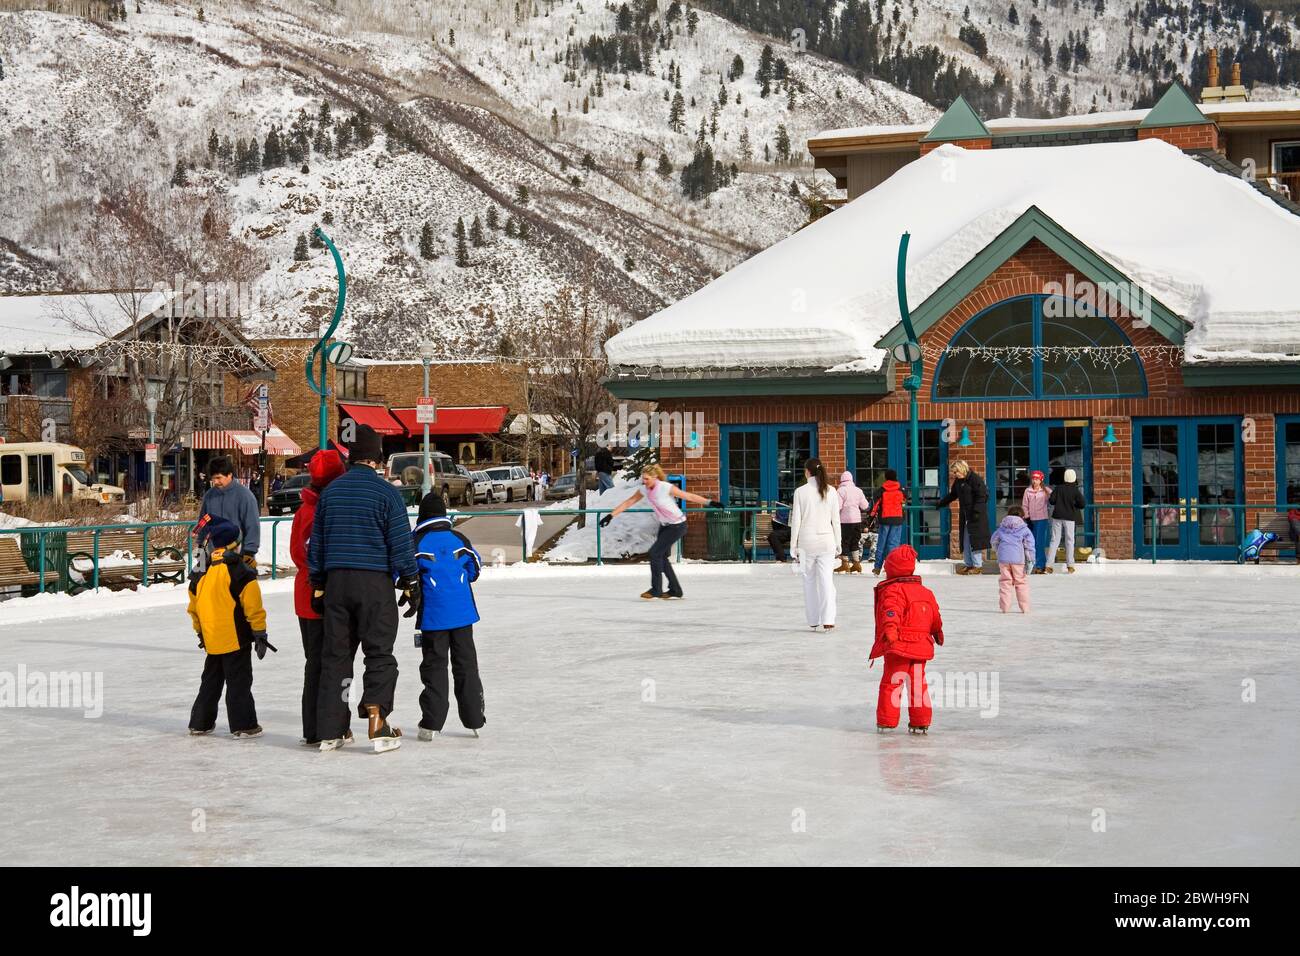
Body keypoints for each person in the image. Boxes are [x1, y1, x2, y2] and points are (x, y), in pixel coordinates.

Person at [309, 424, 420, 754]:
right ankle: (377, 719)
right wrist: (411, 582)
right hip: (374, 585)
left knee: (336, 658)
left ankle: (331, 728)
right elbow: (400, 543)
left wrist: (318, 586)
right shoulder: (387, 494)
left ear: (351, 459)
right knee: (379, 653)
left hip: (337, 583)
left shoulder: (330, 493)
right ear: (377, 459)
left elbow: (317, 546)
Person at [186, 519, 275, 738]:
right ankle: (244, 725)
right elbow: (253, 606)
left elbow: (193, 608)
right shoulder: (240, 571)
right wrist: (260, 632)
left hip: (212, 638)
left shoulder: (200, 571)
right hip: (235, 638)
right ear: (234, 544)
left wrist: (201, 632)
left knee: (210, 682)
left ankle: (200, 723)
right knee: (239, 682)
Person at [412, 493, 486, 740]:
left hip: (433, 617)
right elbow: (475, 567)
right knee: (466, 665)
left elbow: (404, 574)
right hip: (463, 614)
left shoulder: (417, 542)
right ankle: (474, 718)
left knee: (434, 666)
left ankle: (432, 723)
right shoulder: (459, 538)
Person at [289, 449, 350, 747]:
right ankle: (327, 724)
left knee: (314, 663)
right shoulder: (320, 513)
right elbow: (316, 556)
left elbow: (296, 553)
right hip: (321, 595)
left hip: (304, 596)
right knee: (329, 663)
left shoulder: (304, 510)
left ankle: (312, 726)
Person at [600, 463, 720, 599]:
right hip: (665, 525)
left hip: (677, 525)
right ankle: (675, 589)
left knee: (654, 553)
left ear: (655, 477)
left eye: (647, 479)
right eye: (643, 479)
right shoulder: (644, 490)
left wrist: (710, 503)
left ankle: (656, 589)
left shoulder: (665, 487)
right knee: (661, 556)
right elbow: (629, 502)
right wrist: (610, 516)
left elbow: (688, 496)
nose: (644, 482)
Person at [869, 544, 944, 734]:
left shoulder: (893, 590)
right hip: (921, 646)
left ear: (893, 569)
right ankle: (921, 721)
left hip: (899, 645)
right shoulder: (925, 591)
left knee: (892, 682)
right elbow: (934, 614)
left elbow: (891, 612)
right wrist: (937, 631)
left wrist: (890, 629)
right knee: (918, 684)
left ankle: (887, 721)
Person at [790, 457, 841, 632]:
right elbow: (836, 520)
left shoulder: (800, 492)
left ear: (807, 472)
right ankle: (828, 619)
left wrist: (792, 545)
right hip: (827, 541)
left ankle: (813, 620)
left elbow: (796, 520)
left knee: (808, 582)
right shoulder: (832, 491)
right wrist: (838, 543)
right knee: (827, 580)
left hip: (806, 542)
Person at [197, 455, 261, 571]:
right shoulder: (209, 496)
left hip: (238, 556)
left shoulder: (245, 496)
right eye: (213, 478)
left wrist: (249, 552)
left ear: (230, 474)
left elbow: (252, 526)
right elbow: (203, 523)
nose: (215, 482)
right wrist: (201, 550)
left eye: (219, 478)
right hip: (214, 557)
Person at [938, 460, 990, 575]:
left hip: (976, 515)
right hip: (965, 514)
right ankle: (968, 564)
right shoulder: (958, 481)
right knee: (965, 540)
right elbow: (953, 495)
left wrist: (977, 511)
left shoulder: (974, 479)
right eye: (953, 472)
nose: (955, 474)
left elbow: (982, 496)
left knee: (975, 541)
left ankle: (977, 566)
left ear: (962, 469)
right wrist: (941, 503)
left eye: (956, 472)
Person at [990, 505, 1036, 613]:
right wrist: (1030, 560)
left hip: (1003, 559)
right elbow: (1029, 546)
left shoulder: (1001, 528)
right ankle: (1025, 608)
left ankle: (1005, 607)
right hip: (1018, 560)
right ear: (1022, 516)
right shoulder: (1024, 529)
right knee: (1020, 583)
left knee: (1005, 582)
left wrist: (998, 550)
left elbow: (993, 541)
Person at [1046, 468, 1086, 574]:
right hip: (1069, 517)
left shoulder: (1059, 488)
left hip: (1057, 516)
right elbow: (1082, 504)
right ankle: (1070, 565)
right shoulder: (1075, 490)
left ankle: (1049, 565)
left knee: (1054, 540)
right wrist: (1074, 505)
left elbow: (1052, 501)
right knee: (1070, 540)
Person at [870, 468, 909, 575]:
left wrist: (870, 517)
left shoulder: (881, 490)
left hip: (884, 519)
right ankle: (891, 567)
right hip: (897, 519)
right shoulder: (901, 489)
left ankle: (877, 568)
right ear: (895, 477)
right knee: (894, 544)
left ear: (886, 477)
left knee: (881, 544)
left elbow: (875, 504)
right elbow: (906, 499)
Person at [835, 471, 870, 573]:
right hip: (856, 520)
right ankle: (856, 563)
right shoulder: (858, 491)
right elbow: (865, 506)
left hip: (845, 521)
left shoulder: (841, 491)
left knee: (845, 541)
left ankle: (845, 564)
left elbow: (838, 506)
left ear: (842, 480)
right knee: (855, 541)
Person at [1021, 470, 1052, 574]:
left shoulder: (1046, 490)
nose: (1035, 481)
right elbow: (1025, 505)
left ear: (1041, 480)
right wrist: (1026, 516)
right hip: (1030, 520)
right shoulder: (1027, 491)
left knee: (1039, 543)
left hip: (1042, 519)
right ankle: (1030, 563)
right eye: (1033, 479)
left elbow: (1054, 499)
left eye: (1037, 479)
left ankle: (1040, 565)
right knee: (1030, 543)